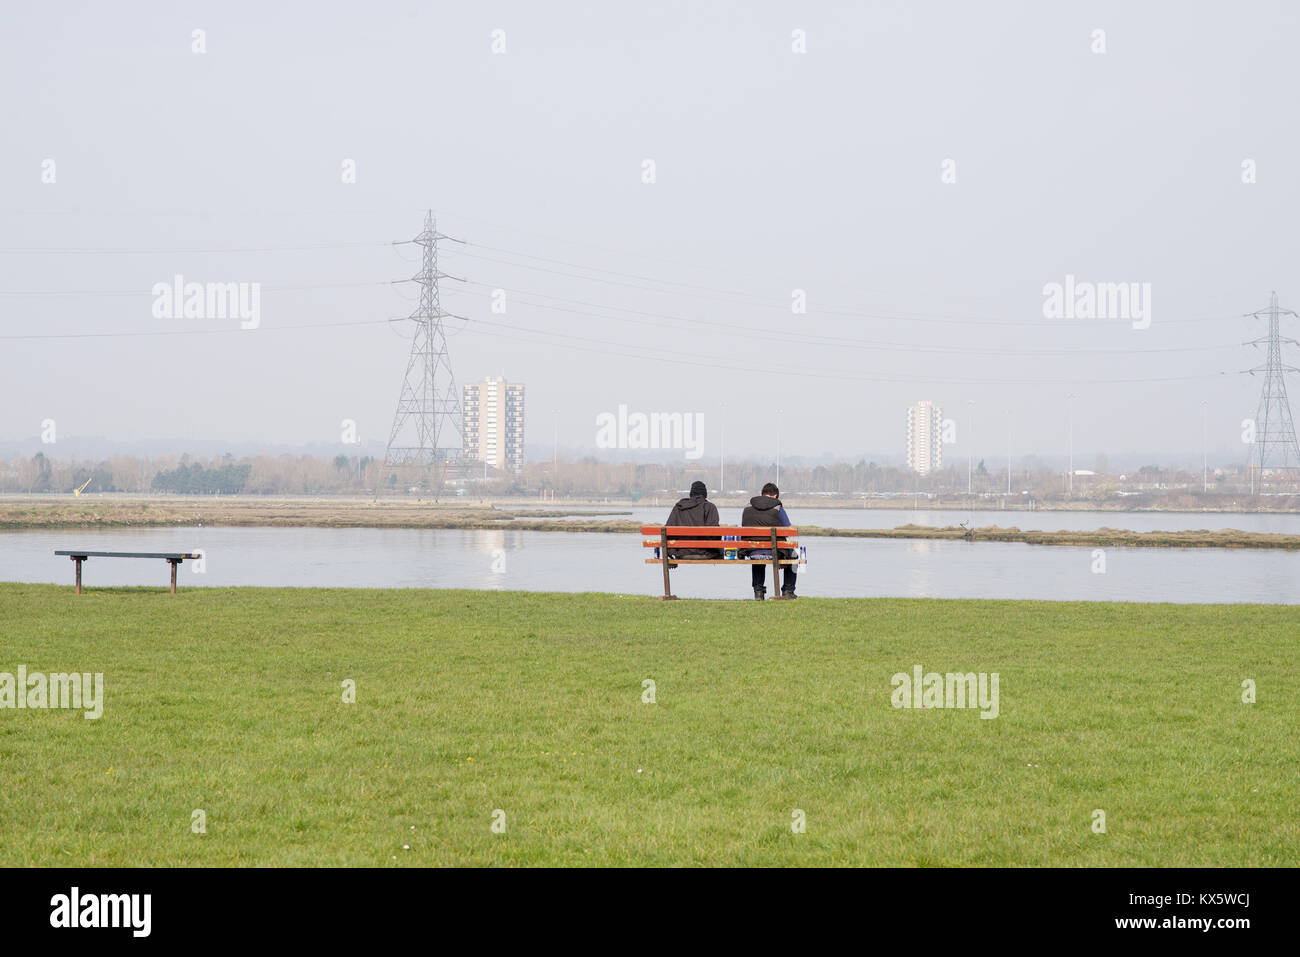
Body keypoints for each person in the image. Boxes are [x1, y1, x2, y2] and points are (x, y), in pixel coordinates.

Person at [741, 482, 796, 600]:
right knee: (794, 555)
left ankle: (758, 592)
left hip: (752, 549)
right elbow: (788, 529)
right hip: (774, 550)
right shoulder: (777, 507)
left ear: (762, 494)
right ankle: (788, 590)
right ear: (775, 495)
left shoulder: (748, 507)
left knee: (757, 554)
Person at [664, 480, 722, 560]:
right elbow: (715, 534)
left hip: (682, 553)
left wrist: (670, 552)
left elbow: (668, 531)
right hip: (706, 553)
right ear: (704, 494)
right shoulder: (710, 507)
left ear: (691, 493)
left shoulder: (679, 507)